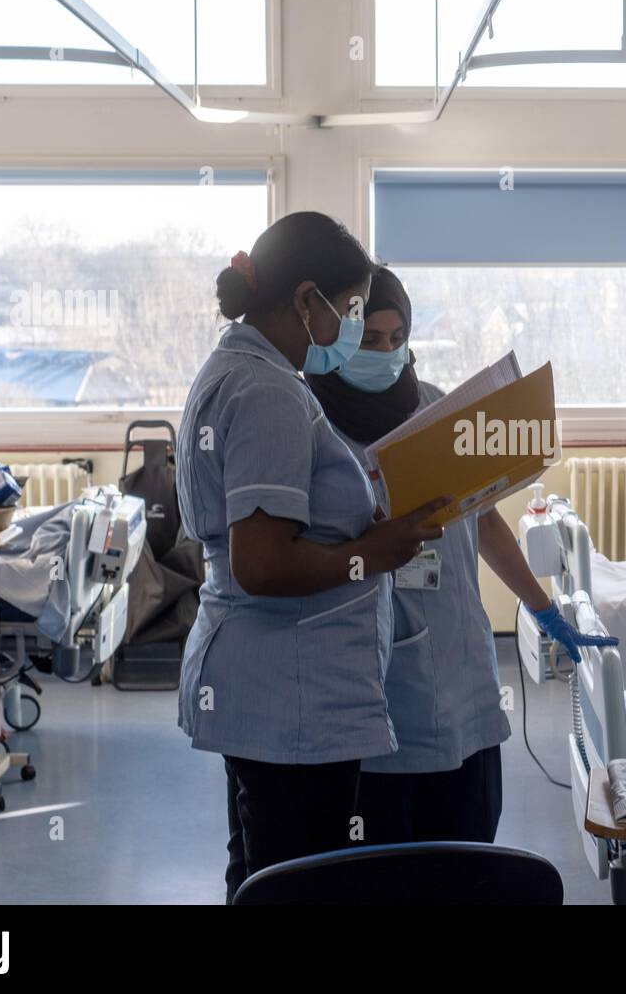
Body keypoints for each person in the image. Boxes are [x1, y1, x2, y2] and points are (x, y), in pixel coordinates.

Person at [175, 213, 449, 903]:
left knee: (262, 877)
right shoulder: (267, 392)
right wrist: (374, 552)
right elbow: (262, 564)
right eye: (352, 308)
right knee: (300, 885)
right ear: (305, 301)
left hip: (266, 687)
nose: (354, 326)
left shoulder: (238, 368)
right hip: (291, 696)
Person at [305, 265, 615, 844]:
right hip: (373, 668)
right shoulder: (315, 426)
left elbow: (486, 519)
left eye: (398, 339)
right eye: (371, 340)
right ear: (341, 339)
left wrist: (543, 608)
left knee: (469, 848)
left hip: (463, 666)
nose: (386, 352)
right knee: (388, 859)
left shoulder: (438, 411)